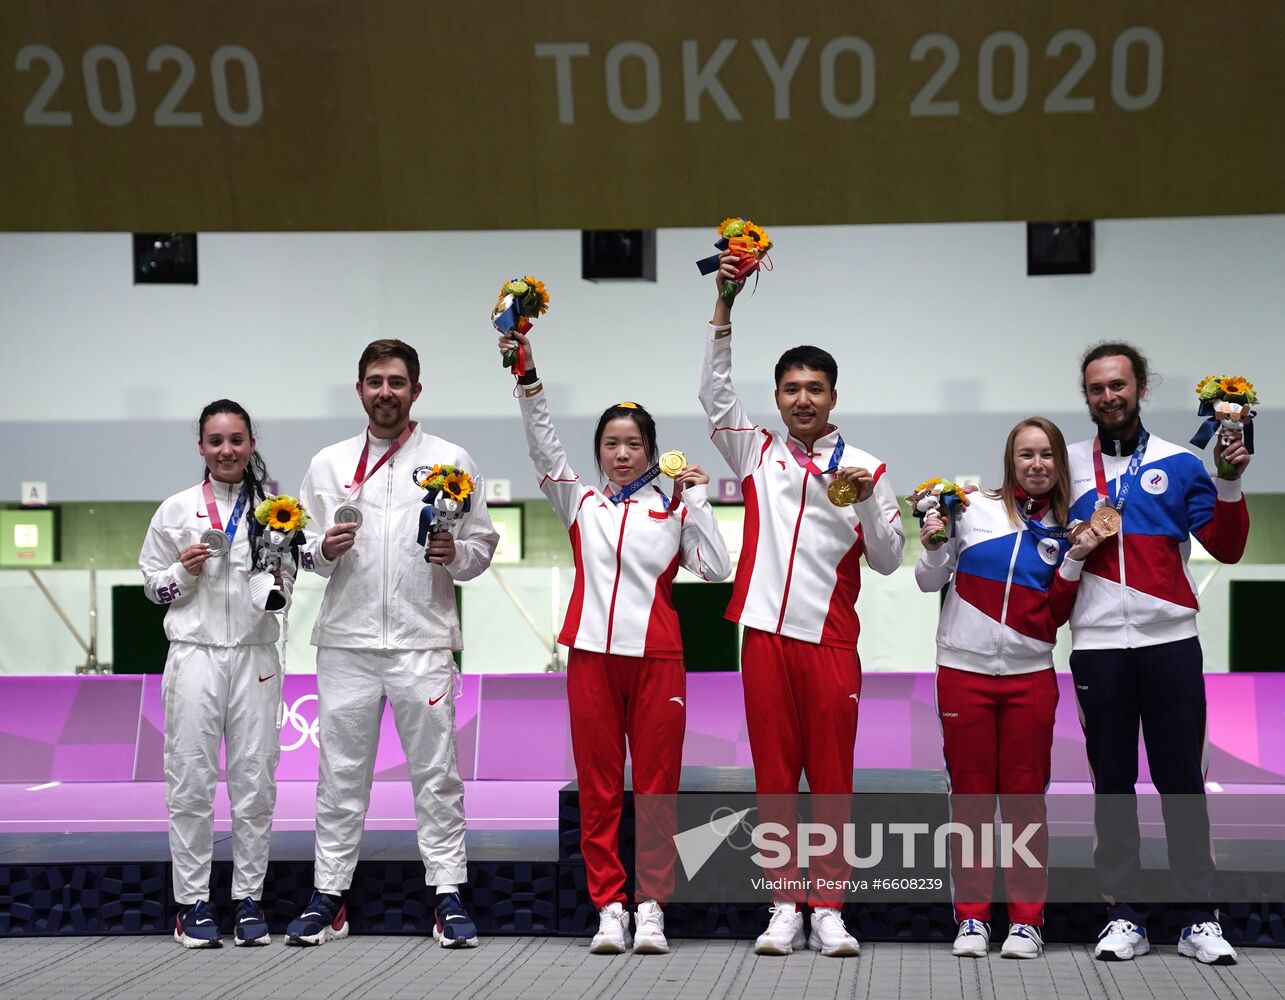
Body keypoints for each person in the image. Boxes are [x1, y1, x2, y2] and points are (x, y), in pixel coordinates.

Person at [697, 252, 905, 957]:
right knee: (775, 780)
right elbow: (714, 394)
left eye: (815, 388)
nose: (803, 399)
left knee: (833, 781)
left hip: (830, 642)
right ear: (779, 398)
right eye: (791, 389)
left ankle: (830, 910)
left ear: (833, 396)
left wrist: (868, 499)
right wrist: (725, 304)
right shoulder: (757, 454)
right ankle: (785, 905)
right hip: (762, 636)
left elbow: (887, 559)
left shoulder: (867, 467)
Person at [498, 329, 731, 956]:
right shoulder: (580, 504)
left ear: (652, 450)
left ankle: (651, 906)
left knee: (657, 789)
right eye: (611, 444)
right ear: (598, 452)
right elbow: (542, 440)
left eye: (633, 444)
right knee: (599, 790)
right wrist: (527, 377)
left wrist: (698, 499)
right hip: (593, 661)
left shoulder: (673, 509)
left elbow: (716, 568)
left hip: (658, 660)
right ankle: (609, 907)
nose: (622, 454)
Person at [285, 339, 499, 948]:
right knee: (339, 775)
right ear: (359, 389)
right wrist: (322, 551)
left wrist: (455, 554)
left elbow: (482, 546)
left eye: (397, 382)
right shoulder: (328, 464)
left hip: (422, 640)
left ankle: (448, 894)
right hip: (346, 643)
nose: (386, 392)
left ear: (415, 390)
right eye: (375, 381)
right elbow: (301, 550)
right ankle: (329, 896)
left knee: (437, 775)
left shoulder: (450, 460)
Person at [1068, 342, 1249, 965]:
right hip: (1097, 648)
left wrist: (1229, 481)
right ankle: (1124, 914)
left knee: (1182, 782)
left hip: (1170, 642)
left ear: (1141, 387)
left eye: (1119, 384)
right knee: (1113, 785)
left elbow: (1226, 547)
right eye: (1097, 388)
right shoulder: (1066, 465)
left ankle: (1200, 917)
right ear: (1087, 396)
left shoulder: (1180, 463)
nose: (1109, 397)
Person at [915, 418, 1107, 960]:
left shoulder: (1072, 527)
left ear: (1059, 462)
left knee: (1026, 804)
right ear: (1011, 460)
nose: (1037, 464)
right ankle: (973, 919)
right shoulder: (971, 508)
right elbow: (928, 580)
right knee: (972, 802)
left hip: (1030, 678)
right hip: (963, 673)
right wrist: (934, 546)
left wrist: (1074, 558)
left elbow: (1057, 614)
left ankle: (1026, 922)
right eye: (1026, 454)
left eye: (1046, 454)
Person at [140, 399, 293, 948]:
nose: (226, 450)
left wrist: (272, 580)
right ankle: (192, 904)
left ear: (251, 444)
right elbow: (153, 588)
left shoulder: (276, 510)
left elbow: (283, 593)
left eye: (236, 440)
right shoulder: (175, 509)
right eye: (215, 440)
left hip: (255, 656)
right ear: (201, 447)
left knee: (255, 782)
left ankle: (249, 900)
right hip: (195, 654)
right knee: (190, 781)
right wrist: (182, 573)